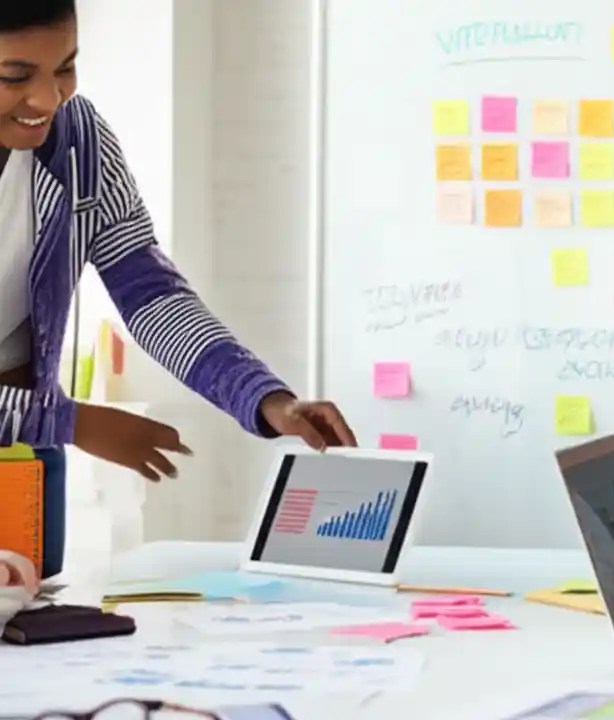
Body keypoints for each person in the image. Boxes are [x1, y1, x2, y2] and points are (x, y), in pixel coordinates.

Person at [0, 1, 357, 578]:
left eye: (65, 67)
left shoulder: (77, 139)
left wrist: (264, 399)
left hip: (19, 473)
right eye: (15, 77)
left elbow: (149, 292)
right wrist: (70, 423)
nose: (48, 99)